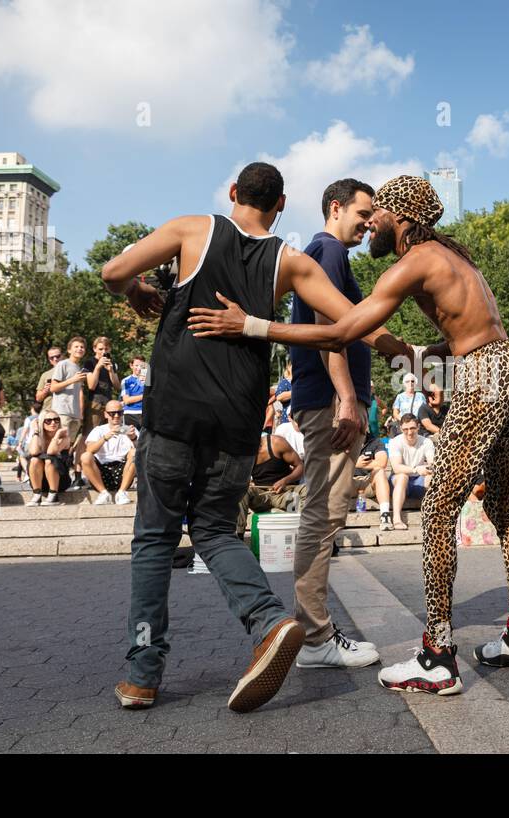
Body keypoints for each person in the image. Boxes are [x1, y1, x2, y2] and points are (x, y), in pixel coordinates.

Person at [189, 173, 509, 694]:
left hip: (484, 376)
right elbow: (465, 340)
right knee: (505, 506)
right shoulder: (454, 259)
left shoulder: (413, 261)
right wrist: (415, 356)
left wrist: (251, 326)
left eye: (378, 214)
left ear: (400, 217)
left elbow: (339, 332)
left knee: (441, 509)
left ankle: (438, 657)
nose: (371, 222)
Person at [100, 162, 408, 711]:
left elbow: (113, 270)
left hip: (172, 416)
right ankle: (269, 622)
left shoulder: (191, 230)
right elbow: (356, 324)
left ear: (234, 193)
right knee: (217, 532)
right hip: (238, 426)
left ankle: (143, 674)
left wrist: (138, 292)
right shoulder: (290, 261)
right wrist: (417, 354)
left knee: (154, 539)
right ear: (282, 205)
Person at [283, 177, 381, 668]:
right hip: (328, 402)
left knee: (325, 513)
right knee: (323, 514)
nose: (369, 224)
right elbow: (329, 331)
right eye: (363, 215)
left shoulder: (326, 254)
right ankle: (315, 638)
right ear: (336, 207)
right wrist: (347, 398)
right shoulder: (328, 252)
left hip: (326, 399)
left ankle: (313, 632)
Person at [48, 337, 89, 485]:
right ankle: (54, 480)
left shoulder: (79, 368)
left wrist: (81, 413)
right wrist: (72, 380)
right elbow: (53, 388)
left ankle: (64, 479)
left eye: (82, 347)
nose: (79, 349)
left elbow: (79, 392)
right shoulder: (63, 364)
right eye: (76, 346)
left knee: (68, 448)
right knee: (59, 445)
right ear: (70, 349)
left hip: (75, 413)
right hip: (62, 411)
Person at [81, 400, 138, 505]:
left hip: (123, 472)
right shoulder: (99, 430)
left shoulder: (129, 430)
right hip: (101, 472)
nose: (116, 416)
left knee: (135, 453)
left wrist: (133, 438)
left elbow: (142, 452)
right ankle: (103, 493)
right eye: (112, 413)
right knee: (85, 456)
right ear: (105, 414)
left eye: (119, 413)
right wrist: (106, 437)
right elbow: (89, 450)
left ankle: (122, 492)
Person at [387, 414, 435, 529]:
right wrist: (416, 469)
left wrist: (428, 470)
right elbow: (397, 467)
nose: (409, 432)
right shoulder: (395, 442)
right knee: (402, 476)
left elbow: (432, 464)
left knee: (432, 476)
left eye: (412, 428)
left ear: (418, 427)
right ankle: (397, 518)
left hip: (419, 480)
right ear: (401, 429)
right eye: (405, 429)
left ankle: (432, 517)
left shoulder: (426, 442)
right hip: (399, 482)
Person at [25, 410, 71, 506]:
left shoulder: (64, 438)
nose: (53, 423)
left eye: (56, 420)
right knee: (34, 459)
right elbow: (33, 452)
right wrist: (36, 431)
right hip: (40, 481)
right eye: (48, 420)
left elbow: (51, 452)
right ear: (42, 422)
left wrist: (57, 435)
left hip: (60, 482)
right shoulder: (38, 437)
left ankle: (53, 496)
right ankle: (37, 495)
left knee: (49, 460)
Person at [82, 336, 122, 433]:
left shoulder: (111, 363)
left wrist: (111, 371)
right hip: (95, 404)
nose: (104, 352)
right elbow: (91, 386)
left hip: (108, 404)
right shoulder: (89, 362)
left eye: (106, 349)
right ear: (94, 349)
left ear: (110, 349)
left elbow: (117, 387)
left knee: (109, 433)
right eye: (100, 349)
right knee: (91, 433)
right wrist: (98, 367)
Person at [121, 356, 146, 430]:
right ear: (131, 366)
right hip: (130, 413)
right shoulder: (126, 380)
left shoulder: (149, 379)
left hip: (145, 413)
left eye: (141, 365)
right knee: (130, 438)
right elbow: (127, 400)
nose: (139, 368)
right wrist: (144, 396)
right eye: (136, 365)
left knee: (145, 439)